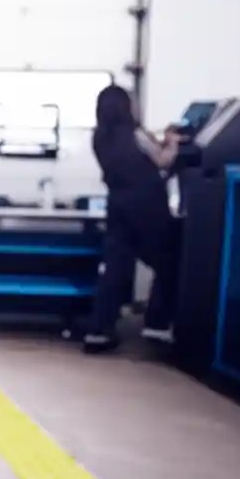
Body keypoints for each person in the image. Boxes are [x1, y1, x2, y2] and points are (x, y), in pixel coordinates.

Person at [86, 84, 182, 353]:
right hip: (148, 208)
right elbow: (163, 161)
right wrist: (172, 142)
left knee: (114, 269)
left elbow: (131, 159)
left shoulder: (99, 138)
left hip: (118, 206)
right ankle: (157, 324)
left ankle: (99, 331)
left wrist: (155, 142)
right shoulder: (137, 134)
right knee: (168, 261)